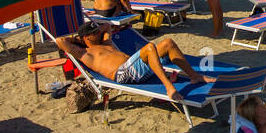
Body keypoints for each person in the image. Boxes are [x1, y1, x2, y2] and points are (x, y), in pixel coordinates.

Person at [54, 28, 208, 100]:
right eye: (94, 32)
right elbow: (60, 41)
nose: (99, 33)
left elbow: (107, 26)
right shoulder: (85, 53)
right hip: (123, 74)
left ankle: (195, 76)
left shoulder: (107, 43)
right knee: (149, 48)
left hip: (137, 69)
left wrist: (98, 29)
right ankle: (169, 87)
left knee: (168, 43)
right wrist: (77, 39)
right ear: (86, 37)